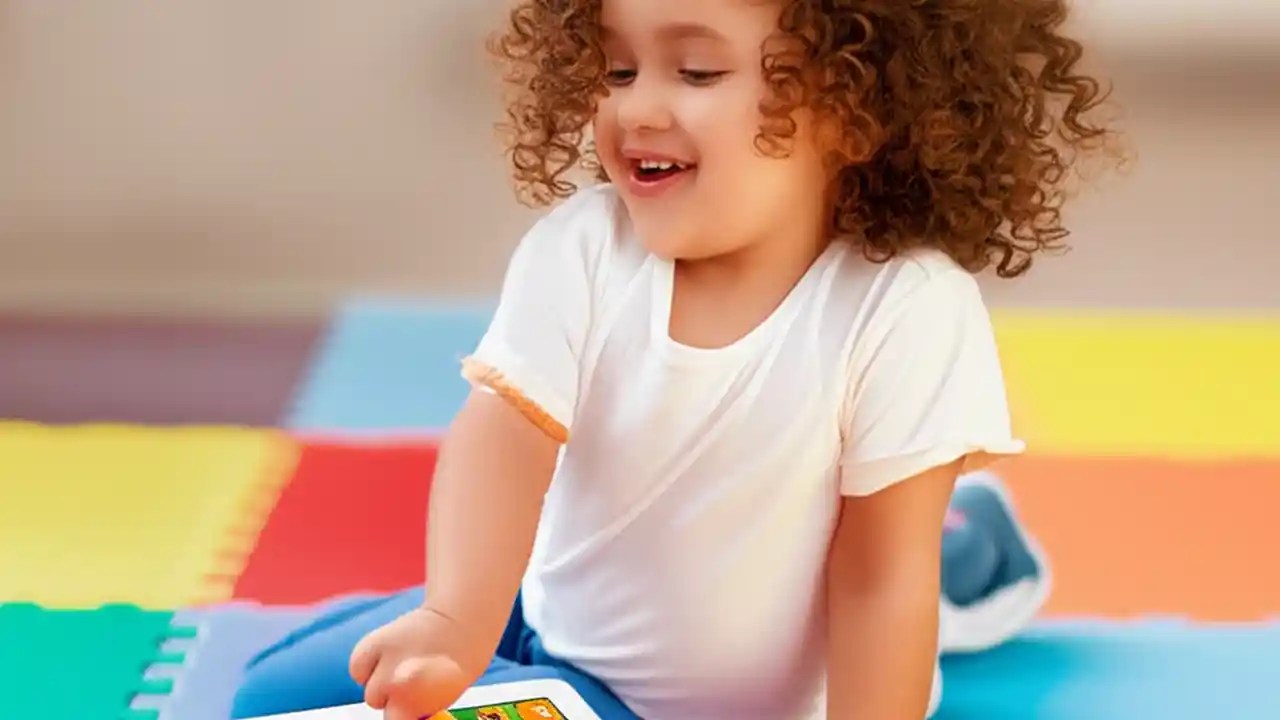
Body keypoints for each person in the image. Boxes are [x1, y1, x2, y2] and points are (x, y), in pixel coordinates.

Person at [232, 0, 1119, 718]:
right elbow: (502, 442)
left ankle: (970, 548)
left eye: (696, 72)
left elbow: (881, 577)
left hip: (748, 702)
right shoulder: (585, 249)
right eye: (619, 69)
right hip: (552, 628)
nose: (637, 108)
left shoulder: (904, 305)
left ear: (853, 110)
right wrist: (453, 622)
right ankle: (967, 541)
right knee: (264, 700)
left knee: (907, 552)